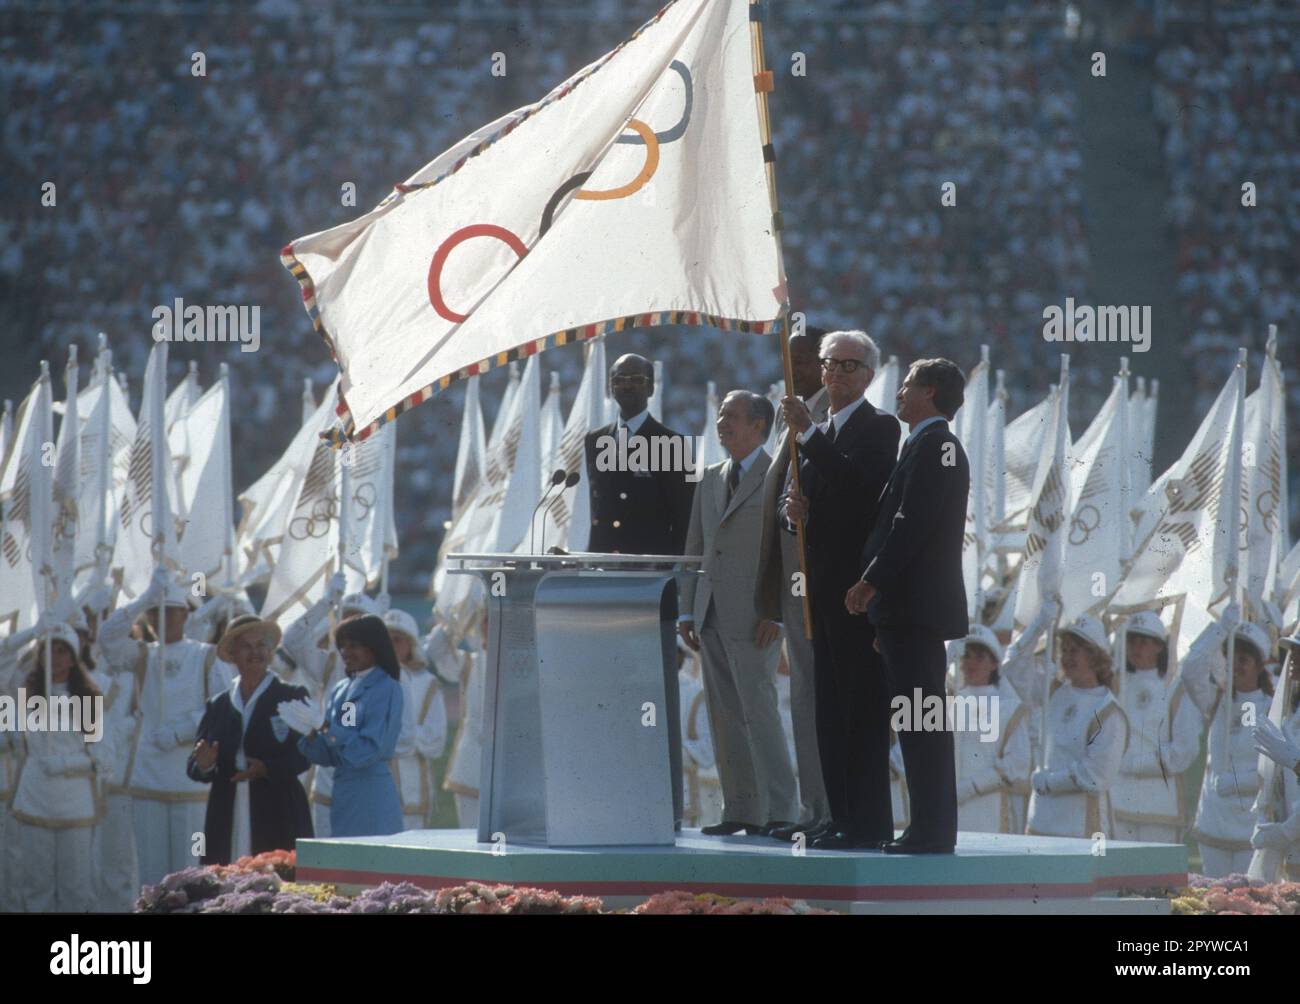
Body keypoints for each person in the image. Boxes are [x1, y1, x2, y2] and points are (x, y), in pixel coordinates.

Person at [779, 330, 900, 850]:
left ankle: (868, 821)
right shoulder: (818, 431)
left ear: (869, 375)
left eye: (848, 366)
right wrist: (793, 515)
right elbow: (809, 505)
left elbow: (859, 489)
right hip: (818, 587)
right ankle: (839, 814)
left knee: (860, 706)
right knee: (827, 707)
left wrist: (808, 437)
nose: (834, 374)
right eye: (829, 365)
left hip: (856, 588)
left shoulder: (879, 427)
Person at [847, 357, 970, 854]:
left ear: (932, 391)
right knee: (916, 719)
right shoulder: (919, 445)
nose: (898, 393)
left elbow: (911, 524)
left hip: (916, 610)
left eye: (908, 385)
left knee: (922, 720)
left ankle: (932, 830)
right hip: (906, 612)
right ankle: (927, 826)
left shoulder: (938, 447)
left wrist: (870, 583)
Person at [679, 390, 797, 836]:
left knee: (759, 711)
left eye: (732, 416)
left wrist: (779, 613)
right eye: (721, 415)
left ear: (759, 426)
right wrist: (687, 612)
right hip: (709, 614)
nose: (722, 422)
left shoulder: (779, 474)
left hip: (756, 618)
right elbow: (695, 547)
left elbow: (788, 553)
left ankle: (782, 809)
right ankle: (741, 809)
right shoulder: (710, 476)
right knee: (724, 715)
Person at [98, 569, 235, 886]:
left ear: (185, 613)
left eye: (171, 610)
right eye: (156, 611)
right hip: (148, 778)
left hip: (193, 781)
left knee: (193, 871)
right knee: (151, 874)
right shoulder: (141, 653)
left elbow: (223, 710)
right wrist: (143, 597)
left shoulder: (206, 656)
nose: (164, 617)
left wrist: (180, 731)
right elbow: (107, 638)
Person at [755, 325, 833, 841]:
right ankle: (814, 810)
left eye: (804, 361)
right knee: (802, 699)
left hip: (820, 585)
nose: (795, 371)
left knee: (820, 699)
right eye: (789, 360)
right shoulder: (790, 420)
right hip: (791, 584)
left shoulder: (825, 419)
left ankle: (829, 810)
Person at [186, 615, 313, 865]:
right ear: (232, 654)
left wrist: (267, 768)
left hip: (278, 809)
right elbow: (195, 765)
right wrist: (204, 764)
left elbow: (306, 755)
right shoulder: (218, 704)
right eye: (246, 646)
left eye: (261, 645)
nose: (255, 652)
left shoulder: (292, 695)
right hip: (226, 809)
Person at [8, 624, 111, 911]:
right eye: (48, 650)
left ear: (73, 656)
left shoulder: (88, 699)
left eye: (62, 650)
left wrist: (66, 763)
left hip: (75, 803)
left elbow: (105, 755)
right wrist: (33, 631)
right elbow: (3, 658)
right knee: (36, 884)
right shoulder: (25, 695)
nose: (55, 657)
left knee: (75, 886)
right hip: (35, 799)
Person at [1002, 610, 1129, 839]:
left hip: (1080, 829)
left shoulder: (1108, 711)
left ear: (1095, 656)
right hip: (1040, 822)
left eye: (1075, 650)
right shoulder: (1054, 691)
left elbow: (1096, 776)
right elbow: (1011, 670)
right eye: (1065, 650)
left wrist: (1049, 782)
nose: (1067, 657)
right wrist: (1040, 622)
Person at [281, 613, 405, 838]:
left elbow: (366, 751)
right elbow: (331, 755)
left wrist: (325, 726)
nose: (346, 653)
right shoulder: (342, 689)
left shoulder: (386, 688)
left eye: (354, 646)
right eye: (343, 646)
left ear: (374, 647)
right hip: (343, 792)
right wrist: (310, 733)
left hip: (371, 792)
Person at [1181, 609, 1274, 877]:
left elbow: (1274, 771)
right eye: (1231, 658)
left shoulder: (1272, 709)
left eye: (1244, 659)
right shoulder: (1216, 701)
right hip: (1213, 824)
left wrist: (1235, 782)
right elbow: (1190, 669)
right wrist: (1220, 628)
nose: (1236, 666)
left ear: (1260, 665)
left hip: (1251, 827)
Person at [584, 353, 695, 556]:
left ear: (651, 387)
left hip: (648, 571)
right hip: (601, 565)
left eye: (636, 379)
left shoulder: (675, 444)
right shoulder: (594, 440)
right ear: (611, 387)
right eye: (619, 379)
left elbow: (686, 519)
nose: (626, 385)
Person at [1111, 611, 1201, 843]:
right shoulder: (1116, 685)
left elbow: (1185, 749)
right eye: (1131, 640)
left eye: (1144, 641)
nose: (1136, 648)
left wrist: (1138, 764)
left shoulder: (1176, 687)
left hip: (1160, 804)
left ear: (1159, 646)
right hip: (1119, 801)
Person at [951, 626, 1030, 834]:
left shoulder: (1009, 708)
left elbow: (1017, 765)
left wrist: (970, 787)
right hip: (949, 811)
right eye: (966, 656)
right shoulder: (950, 705)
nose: (970, 663)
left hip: (989, 811)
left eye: (979, 657)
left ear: (994, 663)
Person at [384, 608, 448, 830]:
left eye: (397, 640)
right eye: (386, 640)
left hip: (414, 791)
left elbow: (436, 742)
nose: (391, 646)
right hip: (377, 791)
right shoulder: (368, 680)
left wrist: (399, 734)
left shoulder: (429, 683)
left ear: (410, 644)